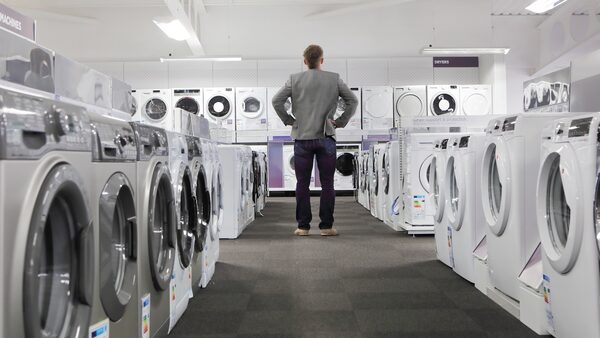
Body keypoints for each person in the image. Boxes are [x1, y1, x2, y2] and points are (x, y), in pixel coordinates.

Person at [272, 44, 358, 236]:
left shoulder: (294, 79)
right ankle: (326, 227)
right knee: (328, 183)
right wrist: (341, 122)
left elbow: (276, 101)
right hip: (326, 137)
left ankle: (303, 227)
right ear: (322, 60)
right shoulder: (334, 79)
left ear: (305, 61)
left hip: (302, 138)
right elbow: (353, 101)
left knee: (302, 183)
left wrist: (289, 121)